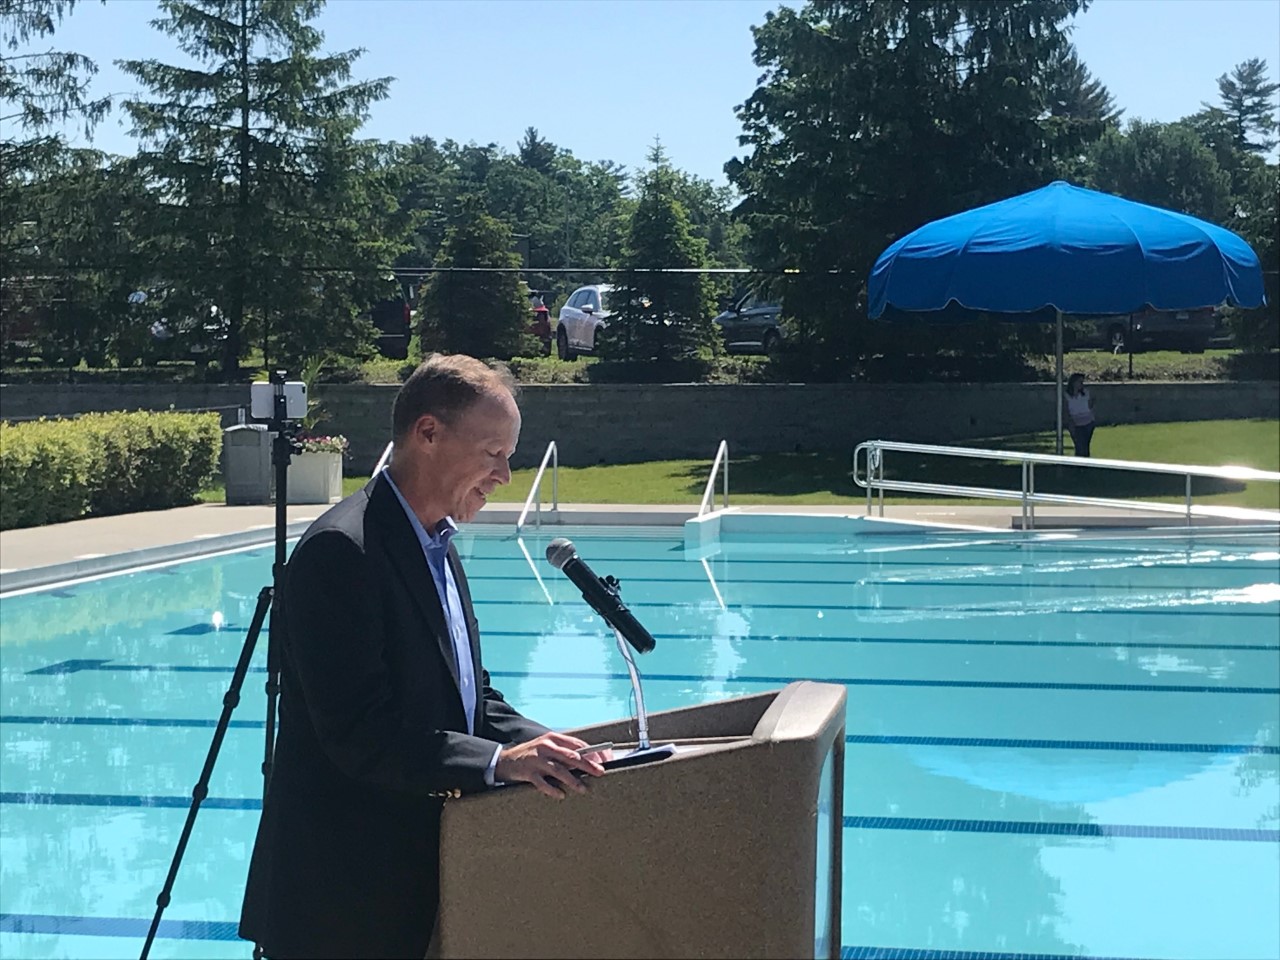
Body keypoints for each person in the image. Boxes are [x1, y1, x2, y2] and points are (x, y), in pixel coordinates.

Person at [239, 353, 607, 959]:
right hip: (343, 910)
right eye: (493, 453)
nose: (505, 474)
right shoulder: (343, 551)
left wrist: (562, 750)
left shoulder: (437, 544)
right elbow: (359, 732)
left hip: (420, 895)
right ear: (428, 433)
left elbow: (472, 697)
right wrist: (500, 763)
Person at [1064, 372, 1097, 457]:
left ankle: (1085, 463)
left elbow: (1091, 404)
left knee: (1085, 444)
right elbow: (1066, 410)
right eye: (1079, 382)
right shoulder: (1067, 395)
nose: (1081, 384)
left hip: (1088, 421)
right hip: (1075, 422)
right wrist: (1069, 422)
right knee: (1079, 445)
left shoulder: (1086, 393)